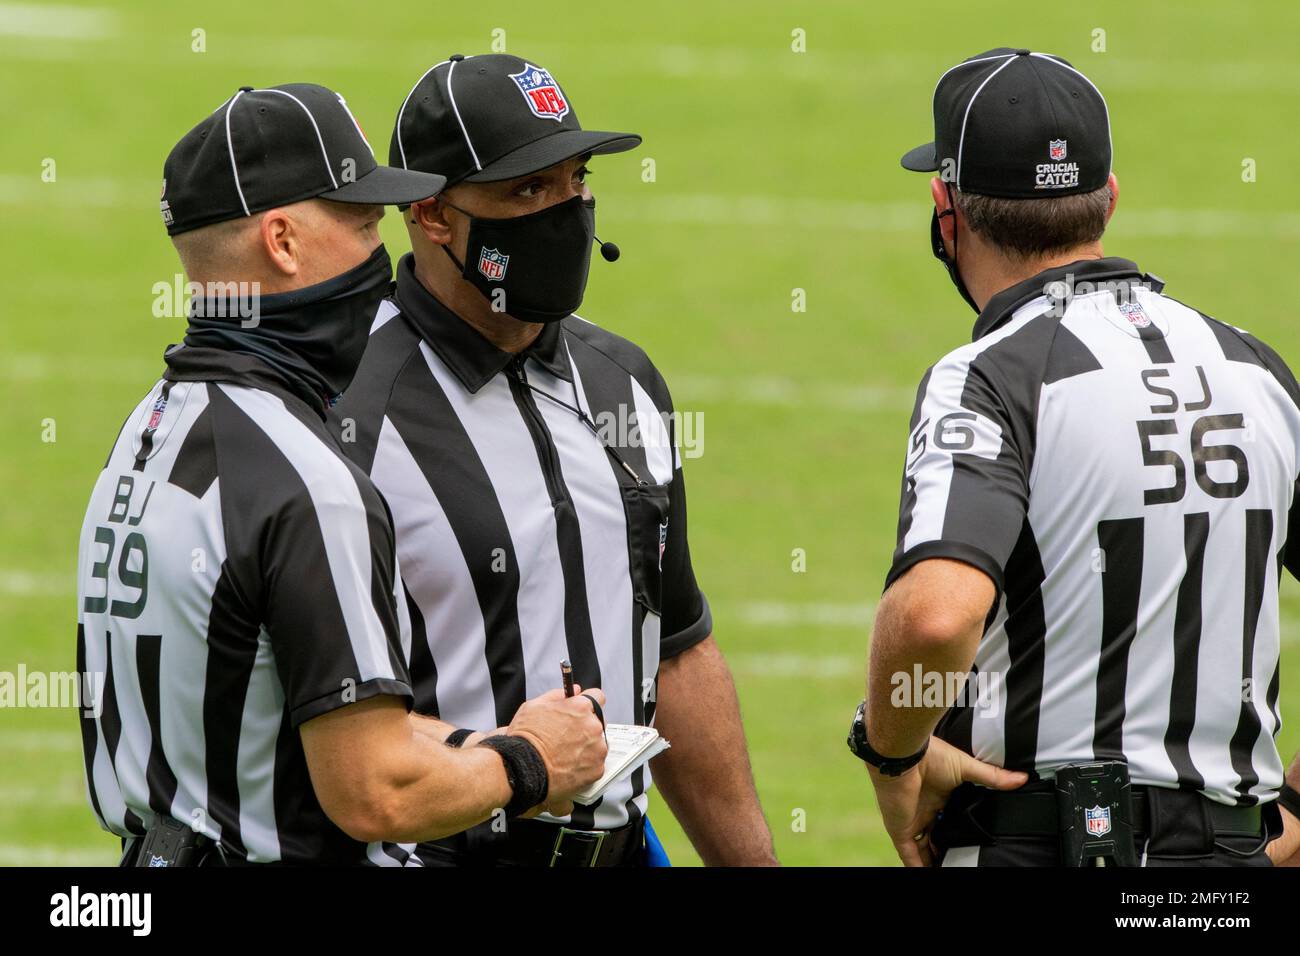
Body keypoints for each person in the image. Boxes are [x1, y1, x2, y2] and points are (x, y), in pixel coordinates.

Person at [75, 82, 607, 866]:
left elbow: (282, 710)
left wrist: (480, 741)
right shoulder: (309, 483)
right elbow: (371, 791)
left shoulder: (151, 427)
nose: (378, 260)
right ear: (283, 241)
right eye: (361, 225)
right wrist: (531, 762)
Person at [847, 48, 1298, 866]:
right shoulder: (1254, 367)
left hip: (1045, 844)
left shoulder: (988, 376)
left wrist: (891, 754)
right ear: (1109, 198)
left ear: (946, 209)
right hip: (1232, 858)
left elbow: (936, 617)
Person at [330, 54, 776, 866]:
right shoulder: (348, 412)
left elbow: (676, 646)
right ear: (431, 214)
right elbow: (321, 713)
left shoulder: (625, 381)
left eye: (575, 179)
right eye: (527, 191)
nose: (566, 211)